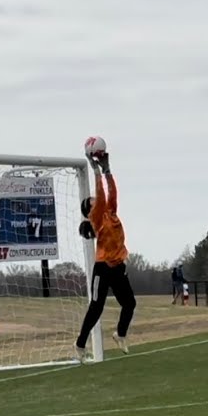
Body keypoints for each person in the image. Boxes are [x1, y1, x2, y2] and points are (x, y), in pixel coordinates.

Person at [73, 151, 137, 360]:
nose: (95, 199)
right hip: (103, 267)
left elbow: (112, 193)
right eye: (91, 201)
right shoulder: (97, 217)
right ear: (90, 210)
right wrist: (96, 170)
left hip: (118, 265)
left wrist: (107, 170)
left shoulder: (111, 212)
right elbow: (101, 194)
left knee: (129, 303)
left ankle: (120, 334)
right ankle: (81, 344)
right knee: (96, 307)